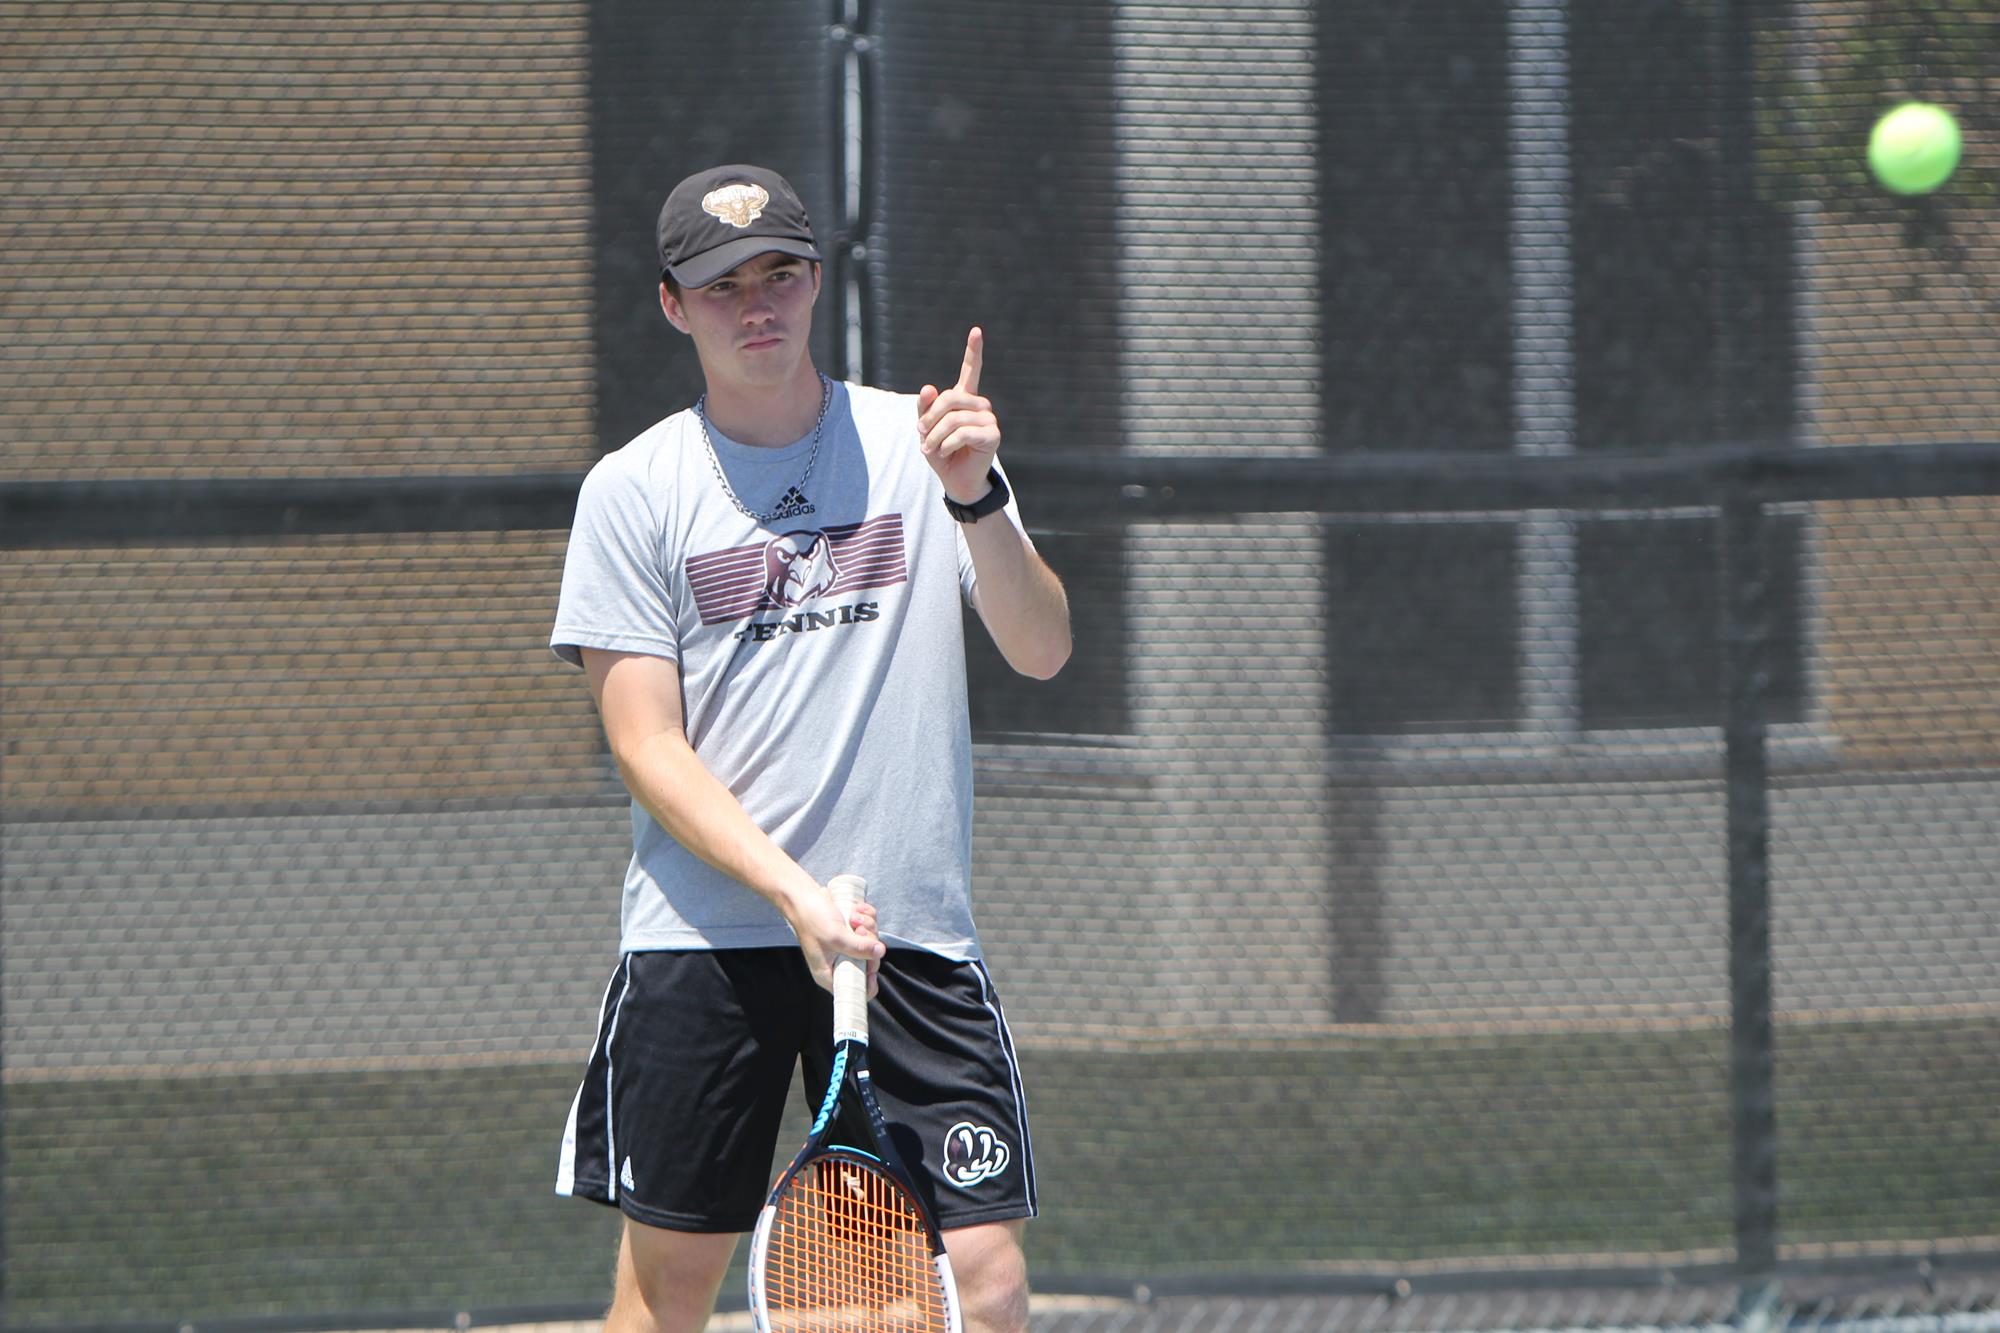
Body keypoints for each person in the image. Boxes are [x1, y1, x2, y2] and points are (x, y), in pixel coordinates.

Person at [549, 162, 1071, 1333]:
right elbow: (645, 743)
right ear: (674, 306)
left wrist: (977, 499)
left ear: (816, 281)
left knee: (979, 1282)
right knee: (667, 1290)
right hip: (707, 944)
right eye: (721, 286)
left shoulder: (920, 444)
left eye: (778, 274)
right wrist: (793, 894)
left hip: (904, 938)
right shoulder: (631, 492)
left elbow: (1041, 648)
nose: (756, 306)